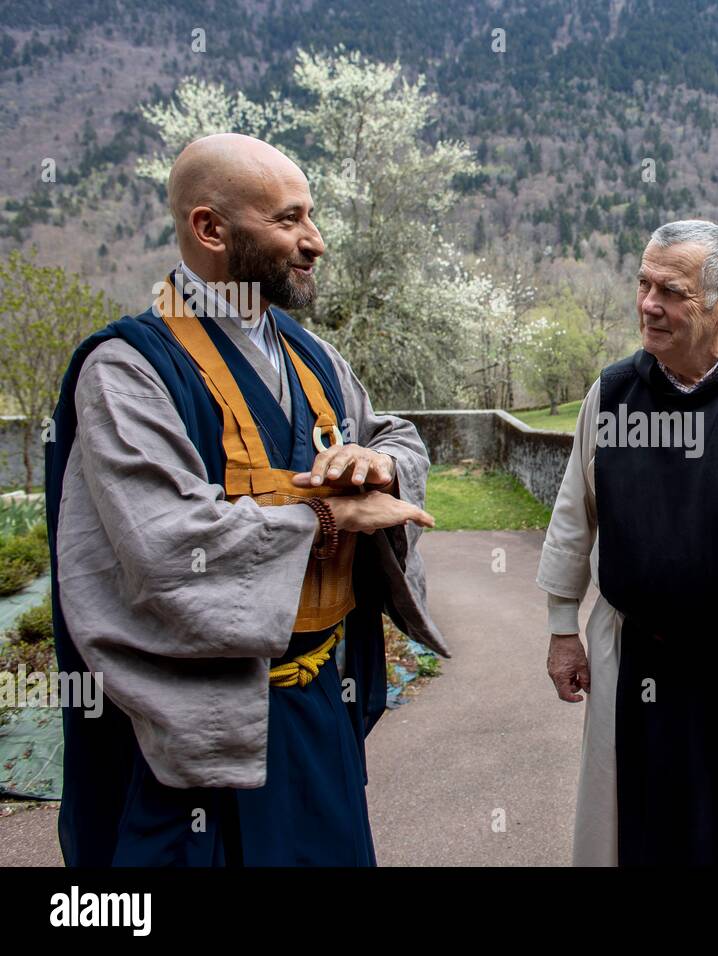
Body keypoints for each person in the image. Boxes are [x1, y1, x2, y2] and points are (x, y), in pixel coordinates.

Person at [46, 132, 446, 866]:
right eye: (288, 220)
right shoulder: (129, 369)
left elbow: (399, 436)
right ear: (210, 228)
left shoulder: (308, 352)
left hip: (317, 705)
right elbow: (165, 542)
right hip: (199, 730)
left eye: (312, 216)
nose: (315, 241)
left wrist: (376, 464)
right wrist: (325, 515)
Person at [537, 220, 718, 865]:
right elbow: (573, 517)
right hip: (635, 651)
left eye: (671, 291)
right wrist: (562, 628)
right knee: (640, 832)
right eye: (643, 284)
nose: (648, 304)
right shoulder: (612, 394)